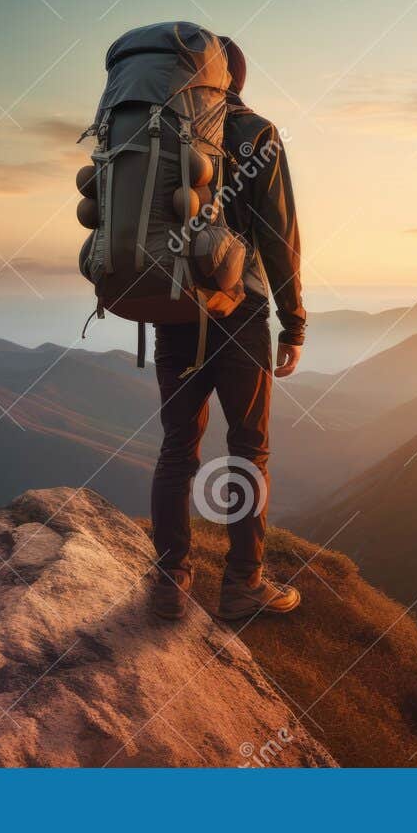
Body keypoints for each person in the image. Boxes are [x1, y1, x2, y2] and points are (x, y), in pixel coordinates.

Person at [149, 36, 306, 622]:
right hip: (241, 311)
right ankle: (244, 583)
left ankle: (170, 580)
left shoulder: (158, 132)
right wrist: (295, 322)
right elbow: (280, 236)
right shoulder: (255, 131)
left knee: (177, 448)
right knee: (248, 450)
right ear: (234, 79)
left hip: (174, 309)